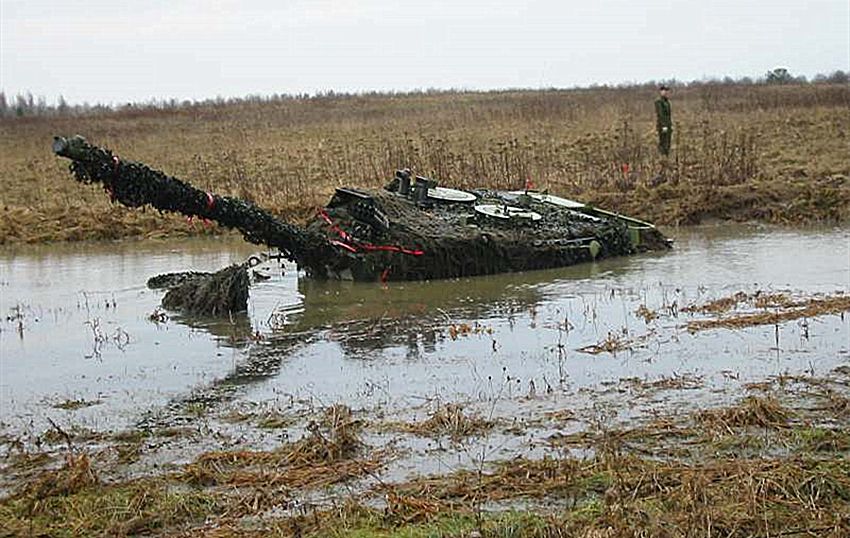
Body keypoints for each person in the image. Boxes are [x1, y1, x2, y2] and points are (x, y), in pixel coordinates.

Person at [655, 85, 672, 156]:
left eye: (667, 91)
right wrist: (664, 126)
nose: (666, 93)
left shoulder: (667, 102)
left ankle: (667, 154)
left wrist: (670, 125)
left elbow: (669, 115)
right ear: (661, 92)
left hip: (668, 124)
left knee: (668, 140)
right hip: (662, 125)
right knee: (663, 140)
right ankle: (662, 155)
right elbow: (660, 115)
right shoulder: (659, 102)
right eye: (664, 91)